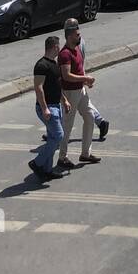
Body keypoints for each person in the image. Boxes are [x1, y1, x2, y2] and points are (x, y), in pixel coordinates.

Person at [57, 25, 100, 169]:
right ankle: (62, 158)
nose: (79, 36)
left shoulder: (77, 49)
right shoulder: (64, 54)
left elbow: (80, 69)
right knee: (67, 126)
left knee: (90, 117)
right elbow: (66, 75)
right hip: (70, 93)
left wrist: (85, 81)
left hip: (80, 90)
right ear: (69, 37)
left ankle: (85, 153)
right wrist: (85, 78)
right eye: (77, 34)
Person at [29, 36, 71, 181]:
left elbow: (57, 87)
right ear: (54, 47)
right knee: (59, 136)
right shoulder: (41, 65)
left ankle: (46, 170)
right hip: (47, 108)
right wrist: (45, 108)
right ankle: (37, 163)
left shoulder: (54, 64)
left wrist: (64, 100)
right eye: (58, 46)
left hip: (56, 106)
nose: (60, 49)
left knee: (52, 138)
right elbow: (38, 88)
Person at [67, 18, 109, 141]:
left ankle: (55, 132)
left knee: (66, 106)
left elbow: (76, 61)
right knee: (84, 105)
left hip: (75, 78)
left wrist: (83, 79)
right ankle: (101, 122)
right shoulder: (81, 40)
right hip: (79, 76)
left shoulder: (76, 41)